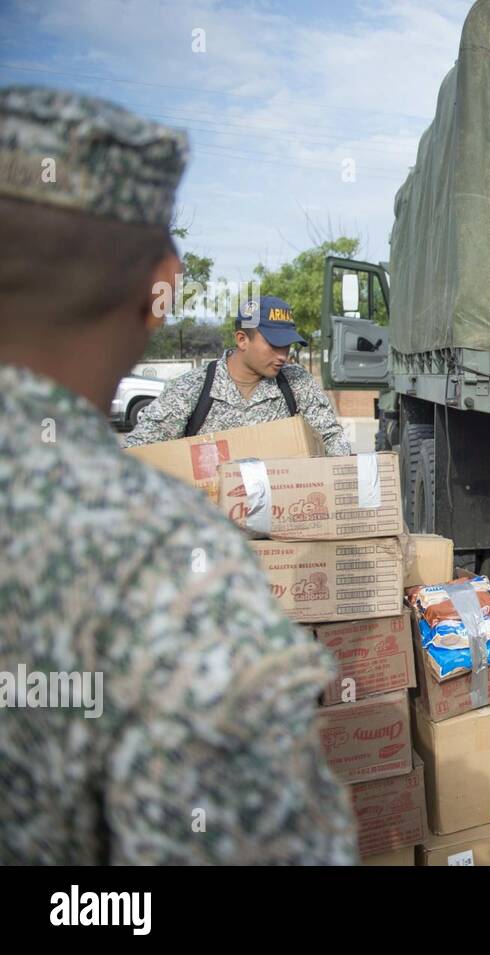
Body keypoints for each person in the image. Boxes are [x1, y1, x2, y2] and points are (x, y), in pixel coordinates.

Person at [0, 86, 357, 864]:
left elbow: (338, 461)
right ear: (160, 287)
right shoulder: (182, 436)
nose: (283, 351)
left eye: (290, 341)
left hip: (288, 563)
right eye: (272, 339)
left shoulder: (301, 389)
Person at [124, 295, 352, 454]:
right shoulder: (192, 389)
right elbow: (139, 452)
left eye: (287, 346)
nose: (283, 355)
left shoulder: (296, 383)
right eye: (274, 345)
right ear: (242, 339)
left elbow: (331, 439)